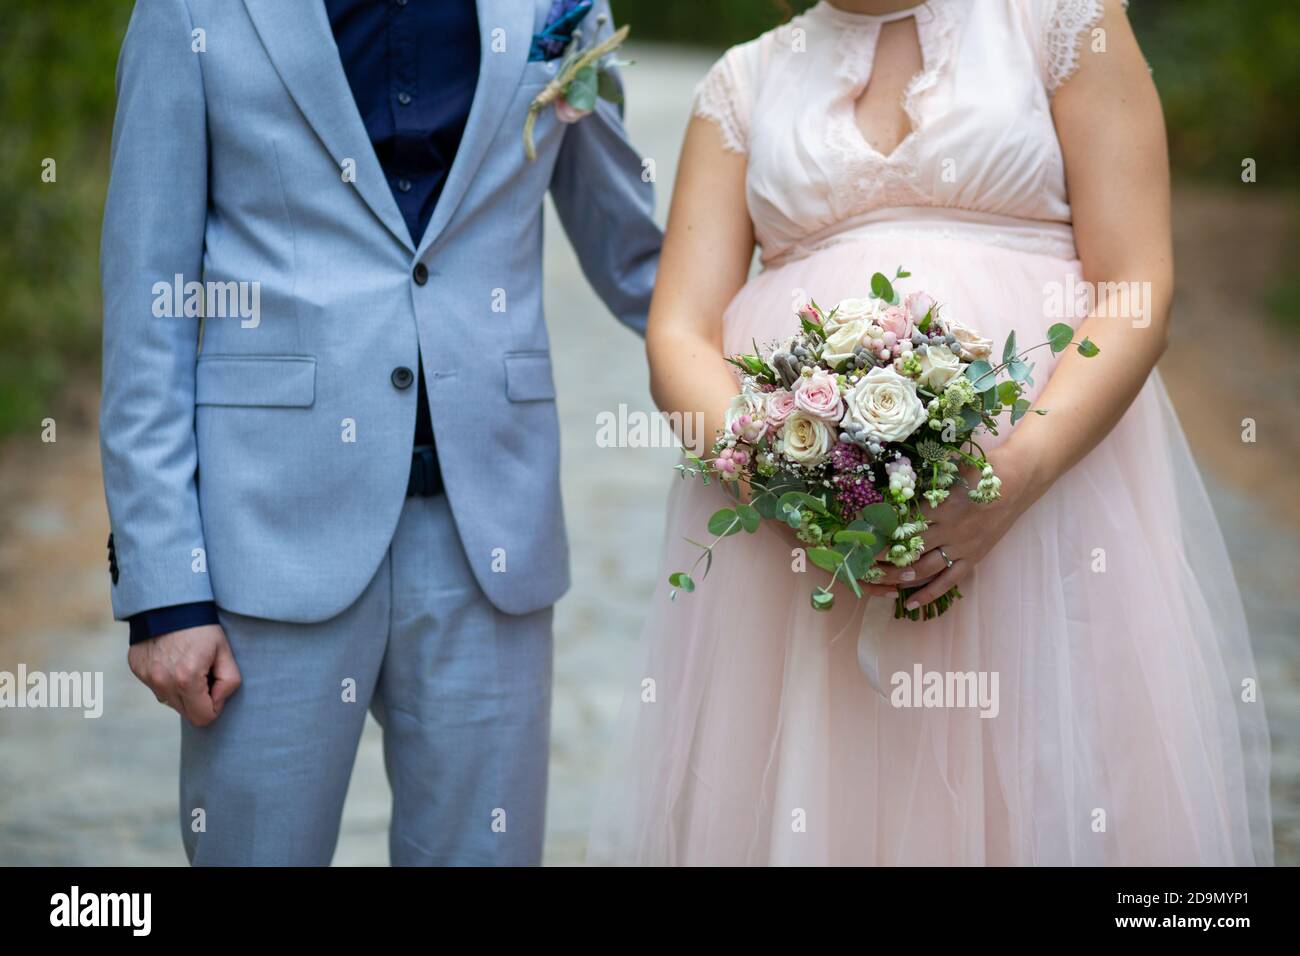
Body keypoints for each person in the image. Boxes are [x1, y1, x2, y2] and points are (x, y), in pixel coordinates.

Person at [589, 0, 1272, 865]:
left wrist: (1015, 475)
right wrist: (791, 483)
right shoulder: (743, 83)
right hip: (795, 548)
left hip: (1041, 511)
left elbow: (1136, 286)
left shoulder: (1062, 22)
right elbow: (677, 334)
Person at [100, 0, 660, 866]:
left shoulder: (562, 5)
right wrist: (163, 586)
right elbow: (148, 305)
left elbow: (639, 256)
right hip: (270, 538)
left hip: (488, 541)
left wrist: (820, 384)